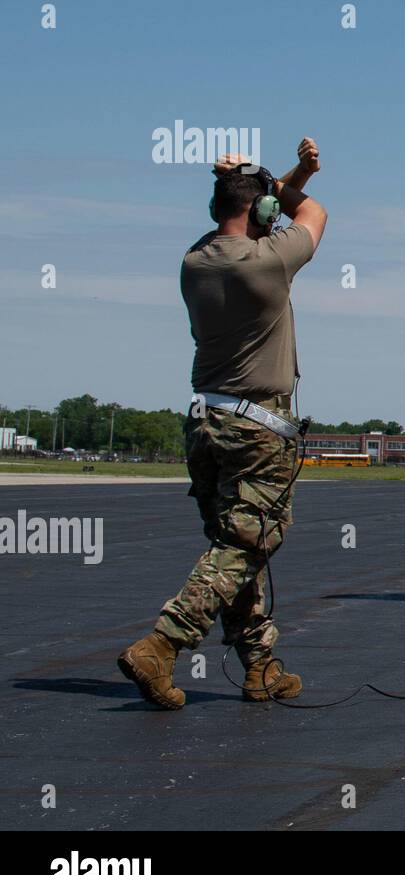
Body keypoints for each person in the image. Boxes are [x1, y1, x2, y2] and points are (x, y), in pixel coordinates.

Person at [117, 140, 327, 710]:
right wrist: (282, 178)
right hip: (258, 428)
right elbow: (313, 213)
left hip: (205, 423)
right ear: (264, 214)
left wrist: (264, 178)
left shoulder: (195, 261)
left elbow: (251, 211)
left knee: (234, 546)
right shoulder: (269, 262)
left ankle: (259, 666)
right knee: (248, 542)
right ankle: (163, 644)